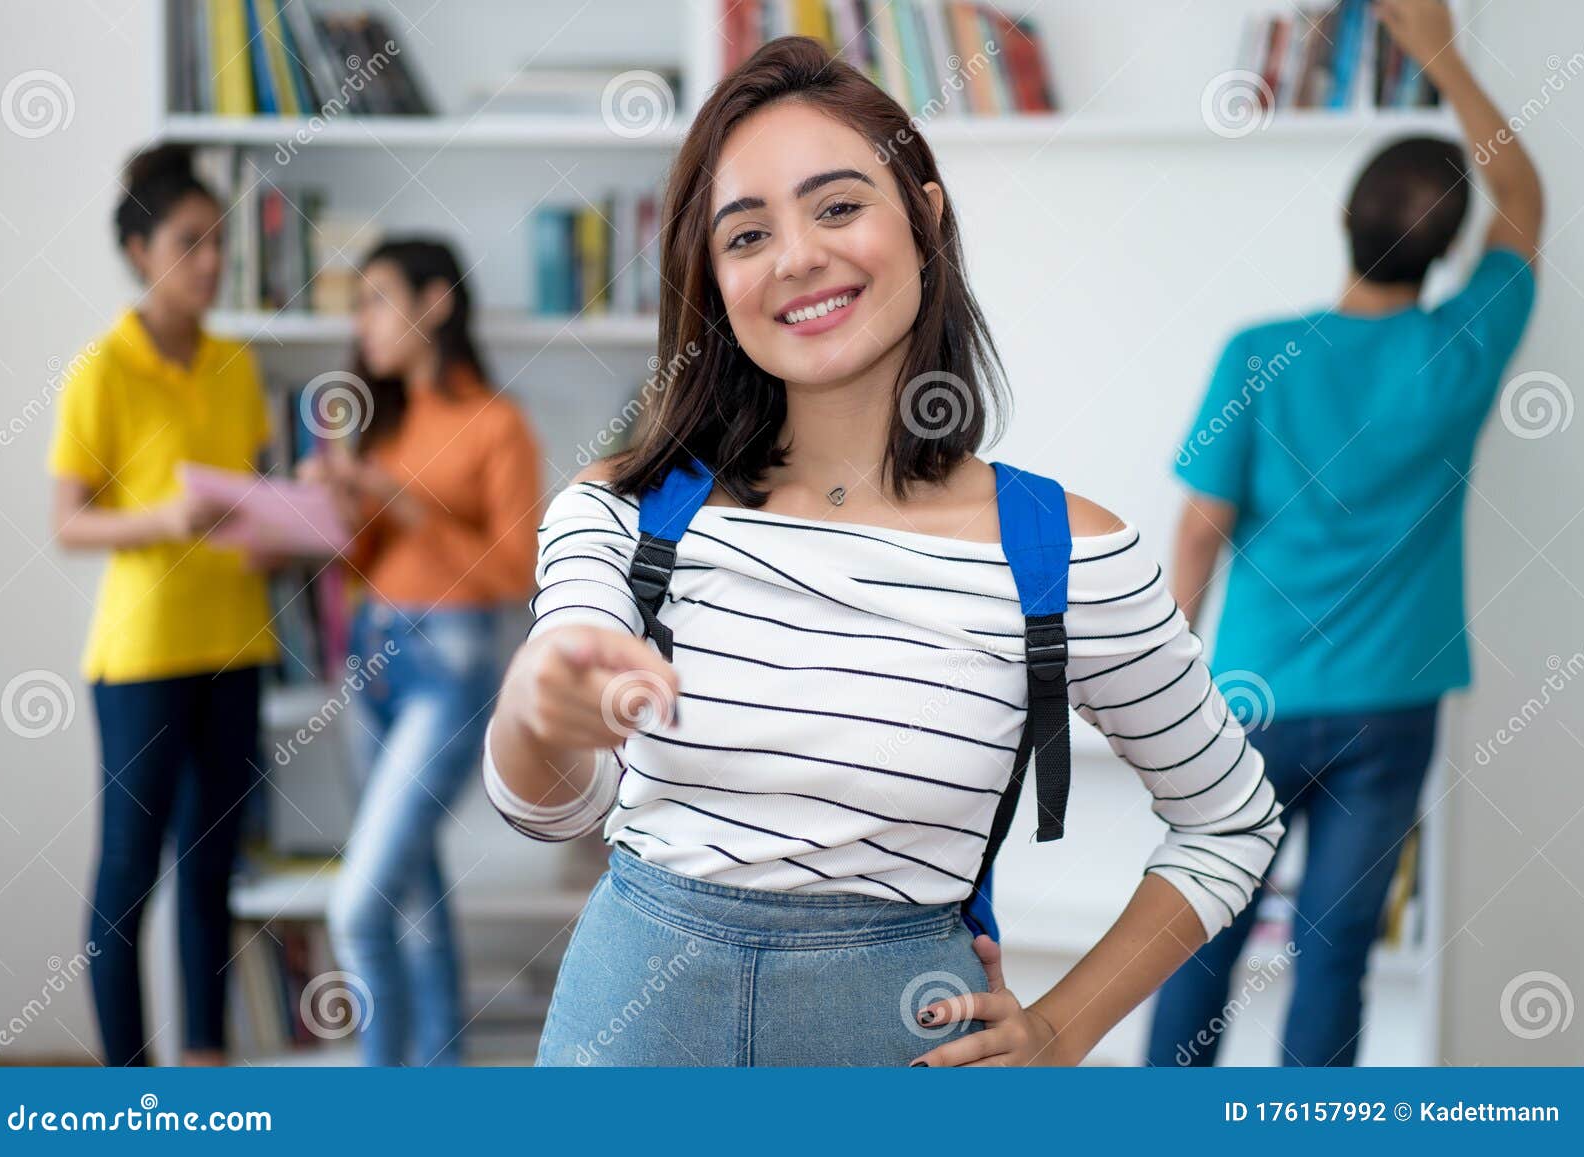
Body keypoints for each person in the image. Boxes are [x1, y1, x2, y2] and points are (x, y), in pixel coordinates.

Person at [482, 36, 1286, 1068]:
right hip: (625, 1039)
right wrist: (530, 715)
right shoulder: (622, 512)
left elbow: (1230, 820)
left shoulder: (1066, 555)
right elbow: (555, 809)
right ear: (714, 281)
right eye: (746, 233)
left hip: (900, 1049)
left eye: (837, 205)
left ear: (924, 216)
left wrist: (1062, 1027)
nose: (797, 257)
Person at [1147, 0, 1542, 1067]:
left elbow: (1195, 534)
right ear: (1449, 249)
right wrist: (1445, 60)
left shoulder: (1258, 354)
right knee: (1335, 953)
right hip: (1389, 708)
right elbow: (1522, 196)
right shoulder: (1462, 344)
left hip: (1246, 698)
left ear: (1344, 224)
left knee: (1195, 937)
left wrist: (1161, 688)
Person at [47, 143, 279, 1066]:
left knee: (213, 872)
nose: (213, 260)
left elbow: (253, 498)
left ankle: (207, 1069)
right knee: (129, 873)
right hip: (142, 656)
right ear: (142, 251)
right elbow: (69, 523)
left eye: (219, 240)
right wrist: (163, 516)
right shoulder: (102, 369)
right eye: (191, 242)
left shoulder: (237, 364)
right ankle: (125, 1090)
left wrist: (278, 522)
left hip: (237, 642)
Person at [304, 239, 543, 1066]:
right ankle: (440, 1091)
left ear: (435, 303)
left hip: (453, 663)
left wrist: (397, 499)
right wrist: (338, 509)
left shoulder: (498, 424)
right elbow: (366, 564)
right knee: (408, 892)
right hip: (371, 652)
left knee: (359, 907)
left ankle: (383, 1098)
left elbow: (514, 567)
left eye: (376, 299)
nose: (361, 323)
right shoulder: (385, 425)